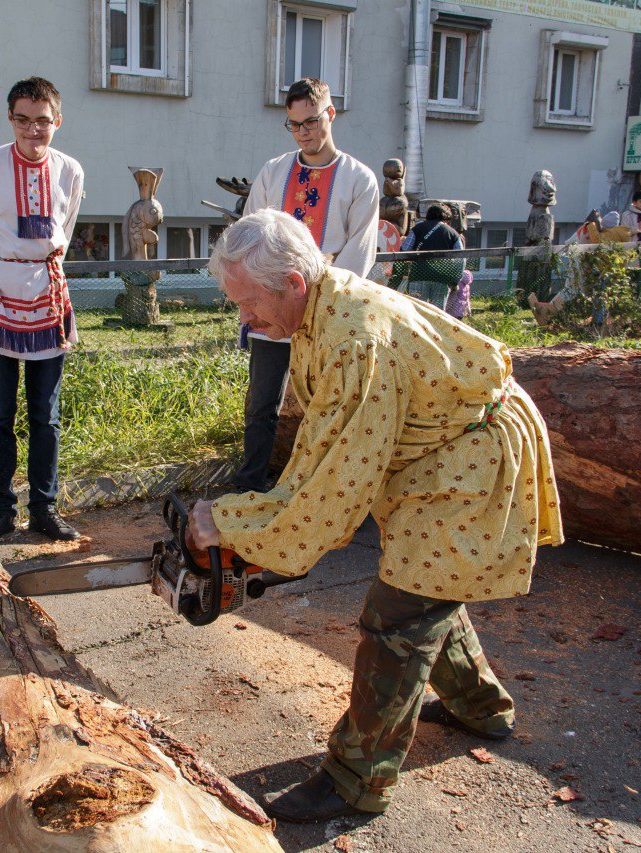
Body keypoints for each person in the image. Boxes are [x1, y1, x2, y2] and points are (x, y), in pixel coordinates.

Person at [190, 209, 562, 822]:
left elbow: (334, 488)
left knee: (400, 614)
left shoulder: (353, 336)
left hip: (466, 454)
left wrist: (232, 523)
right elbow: (324, 447)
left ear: (294, 282)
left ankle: (355, 780)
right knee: (427, 590)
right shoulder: (320, 313)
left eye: (248, 302)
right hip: (438, 452)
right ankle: (482, 708)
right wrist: (245, 515)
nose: (244, 318)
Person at [233, 77, 379, 494]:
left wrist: (327, 301)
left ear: (330, 114)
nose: (303, 132)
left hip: (325, 308)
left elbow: (360, 249)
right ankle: (251, 486)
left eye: (311, 121)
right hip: (273, 304)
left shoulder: (358, 178)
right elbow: (251, 233)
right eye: (294, 125)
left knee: (327, 404)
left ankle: (321, 487)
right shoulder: (274, 172)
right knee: (262, 402)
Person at [0, 77, 85, 544]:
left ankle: (44, 509)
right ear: (10, 119)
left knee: (45, 415)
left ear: (57, 120)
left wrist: (34, 269)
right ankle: (0, 511)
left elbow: (64, 233)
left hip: (46, 296)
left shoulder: (71, 170)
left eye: (43, 122)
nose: (33, 130)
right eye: (23, 120)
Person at [400, 203, 464, 310]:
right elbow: (460, 259)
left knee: (417, 311)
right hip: (442, 278)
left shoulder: (417, 228)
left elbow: (404, 250)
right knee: (437, 313)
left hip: (418, 275)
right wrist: (455, 280)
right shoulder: (453, 233)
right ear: (447, 217)